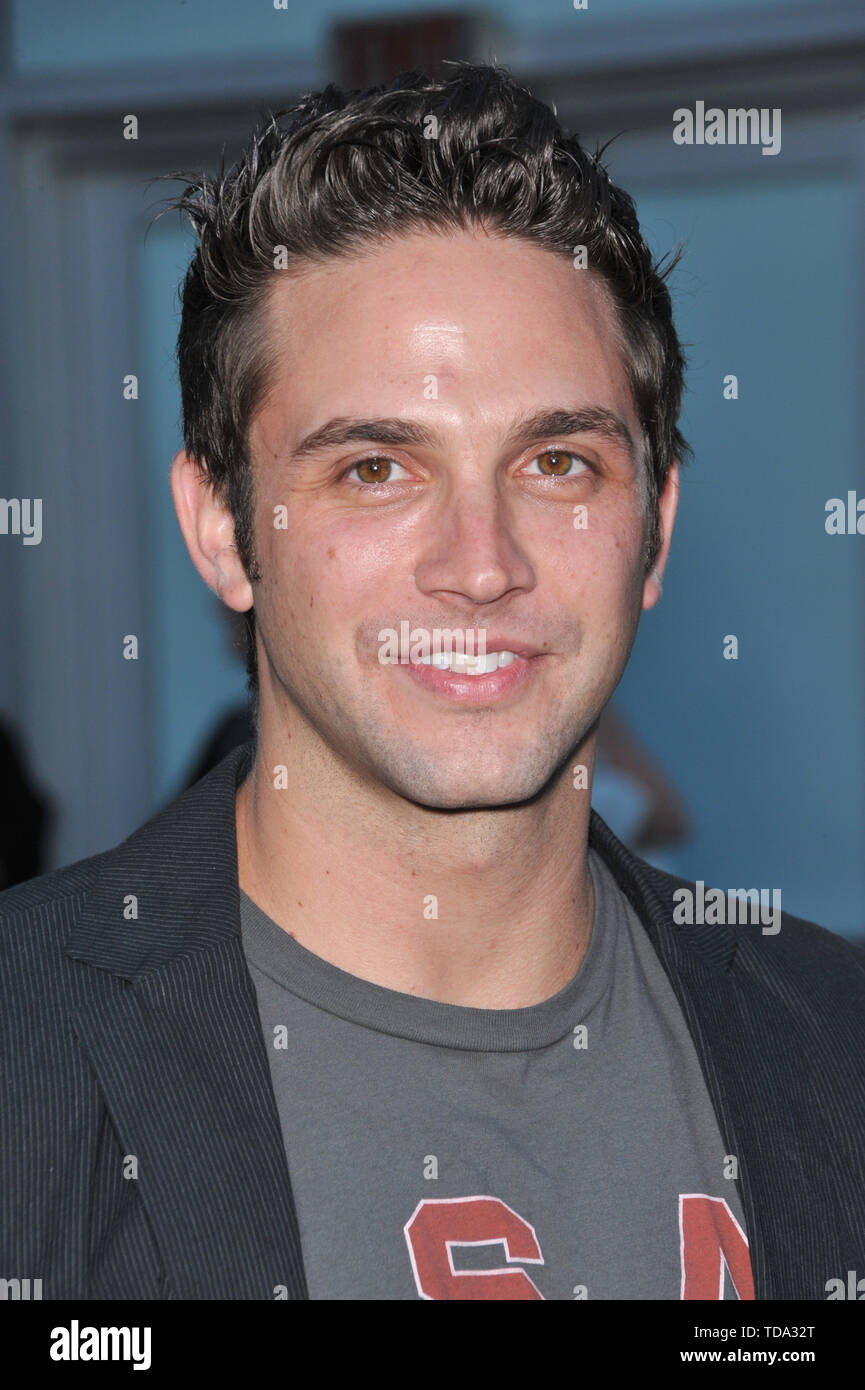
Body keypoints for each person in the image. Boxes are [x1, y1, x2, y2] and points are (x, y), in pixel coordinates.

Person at [2, 63, 863, 1303]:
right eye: (374, 469)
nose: (482, 564)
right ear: (221, 528)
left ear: (655, 528)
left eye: (558, 461)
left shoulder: (832, 1039)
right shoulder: (24, 1051)